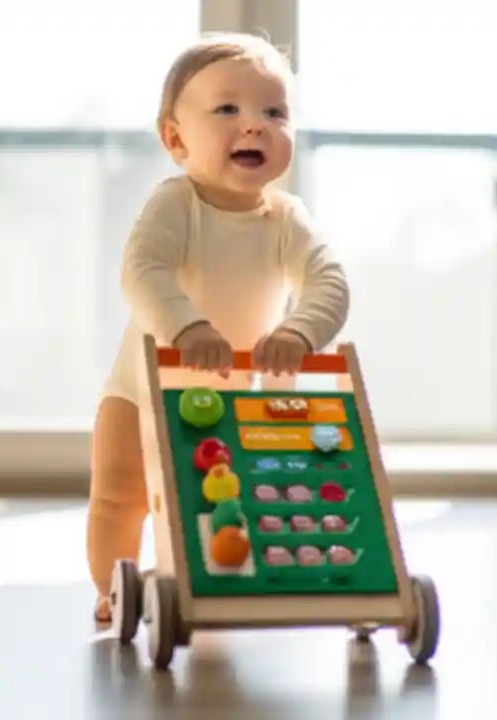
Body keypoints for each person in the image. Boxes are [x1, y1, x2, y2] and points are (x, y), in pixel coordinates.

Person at [86, 32, 350, 625]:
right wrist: (188, 327)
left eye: (273, 112)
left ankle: (217, 579)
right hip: (143, 391)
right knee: (121, 496)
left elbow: (328, 280)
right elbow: (142, 270)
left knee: (224, 500)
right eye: (227, 108)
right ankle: (113, 590)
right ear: (175, 138)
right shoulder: (175, 205)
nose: (254, 124)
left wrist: (300, 331)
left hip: (236, 397)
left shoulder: (287, 217)